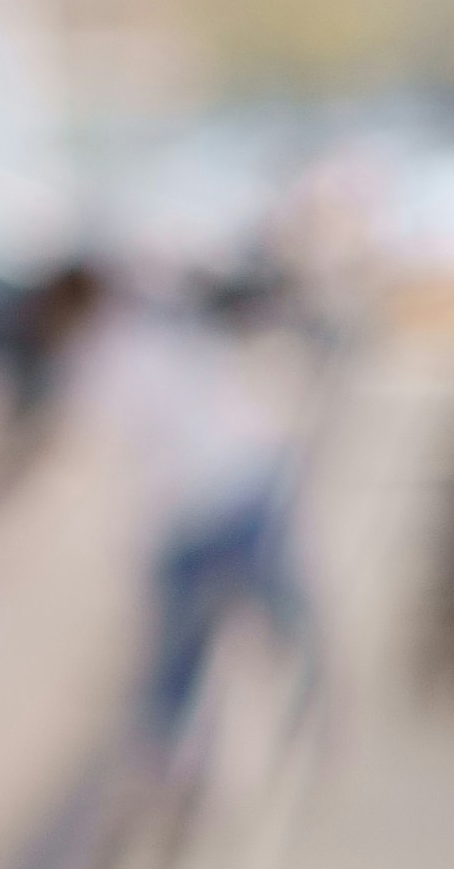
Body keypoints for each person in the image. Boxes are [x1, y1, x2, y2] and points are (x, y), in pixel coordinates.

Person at [72, 260, 306, 735]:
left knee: (179, 646)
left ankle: (169, 747)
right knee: (275, 608)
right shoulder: (164, 326)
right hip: (253, 474)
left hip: (203, 500)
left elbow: (123, 465)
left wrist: (136, 543)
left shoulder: (102, 364)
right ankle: (303, 703)